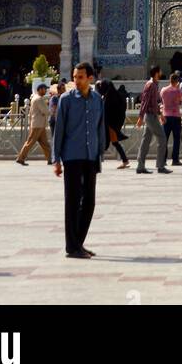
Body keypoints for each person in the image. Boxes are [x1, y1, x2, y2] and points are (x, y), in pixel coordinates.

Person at [52, 62, 106, 259]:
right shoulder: (66, 100)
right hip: (72, 156)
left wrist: (100, 152)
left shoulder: (97, 100)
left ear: (90, 78)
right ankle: (71, 246)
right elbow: (59, 131)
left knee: (89, 202)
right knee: (72, 201)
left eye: (80, 77)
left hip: (90, 156)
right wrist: (56, 159)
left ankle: (79, 243)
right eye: (75, 77)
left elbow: (100, 127)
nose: (76, 81)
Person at [135, 66, 170, 175]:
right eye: (159, 71)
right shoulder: (150, 85)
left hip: (152, 115)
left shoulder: (155, 84)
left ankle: (140, 166)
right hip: (150, 116)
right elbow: (145, 102)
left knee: (146, 140)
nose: (161, 72)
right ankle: (160, 166)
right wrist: (140, 117)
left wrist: (160, 115)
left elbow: (154, 103)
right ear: (156, 73)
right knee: (162, 138)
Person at [96, 79, 129, 169]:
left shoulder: (110, 98)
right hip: (112, 124)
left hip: (110, 125)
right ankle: (125, 160)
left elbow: (107, 112)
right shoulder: (113, 95)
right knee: (114, 142)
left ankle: (93, 161)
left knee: (104, 143)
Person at [16, 83, 52, 165]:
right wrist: (51, 111)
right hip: (38, 124)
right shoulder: (39, 99)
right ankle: (20, 158)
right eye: (44, 89)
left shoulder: (36, 98)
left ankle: (50, 159)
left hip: (39, 124)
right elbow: (45, 111)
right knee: (30, 142)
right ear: (39, 90)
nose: (45, 90)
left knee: (44, 143)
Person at [160, 72, 182, 167]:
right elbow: (181, 99)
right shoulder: (177, 91)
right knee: (176, 139)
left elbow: (162, 100)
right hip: (176, 116)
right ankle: (175, 159)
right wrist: (177, 89)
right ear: (176, 81)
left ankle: (163, 159)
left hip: (166, 116)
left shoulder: (163, 90)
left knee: (164, 139)